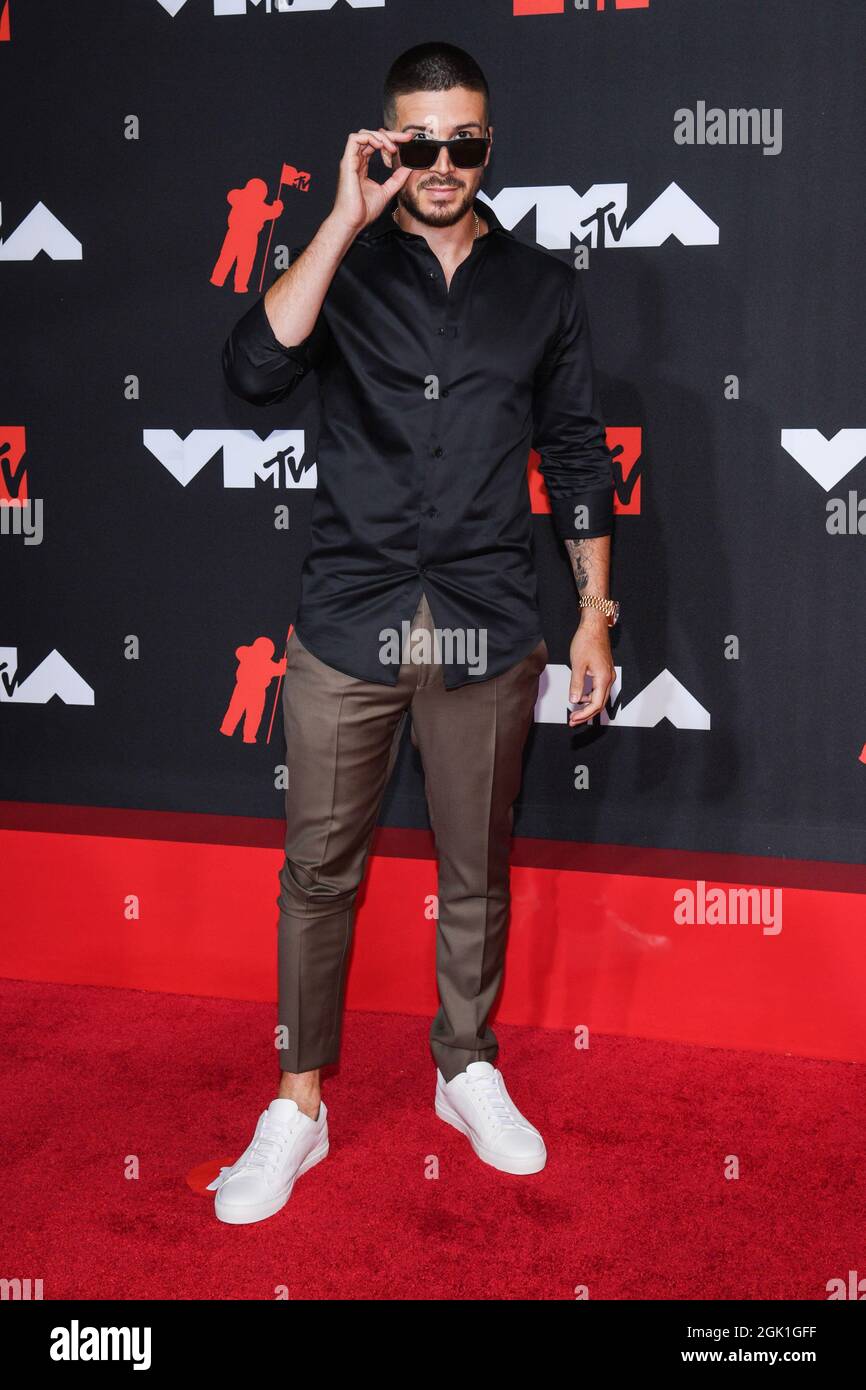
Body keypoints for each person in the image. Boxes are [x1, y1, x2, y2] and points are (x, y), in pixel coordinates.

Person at [210, 41, 619, 1226]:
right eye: (419, 142)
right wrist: (340, 219)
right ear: (385, 141)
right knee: (315, 877)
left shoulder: (542, 288)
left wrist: (594, 613)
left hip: (486, 619)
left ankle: (464, 1066)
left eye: (465, 142)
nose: (442, 164)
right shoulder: (342, 266)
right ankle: (298, 1102)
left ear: (491, 144)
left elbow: (578, 454)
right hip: (352, 613)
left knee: (472, 870)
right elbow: (249, 369)